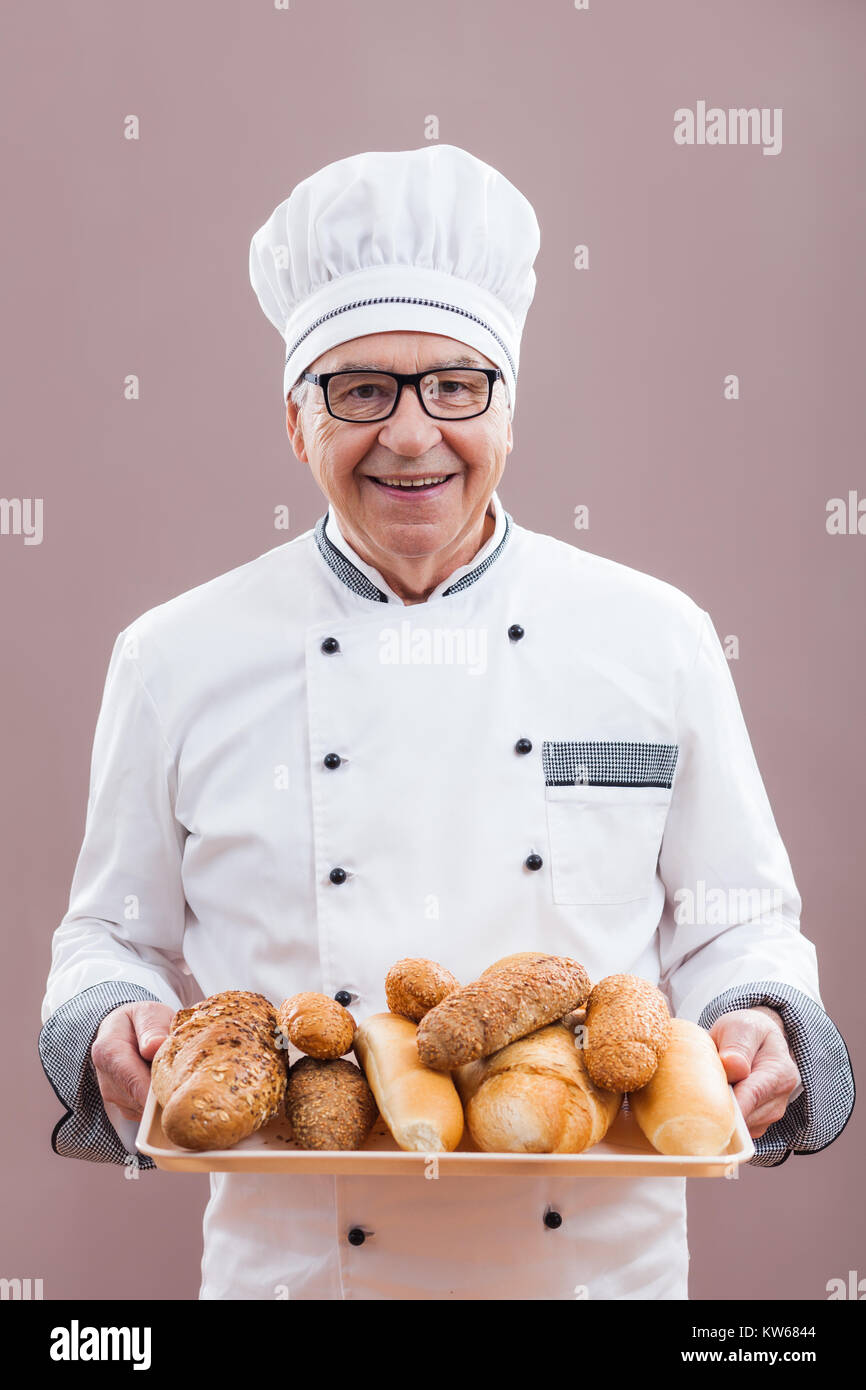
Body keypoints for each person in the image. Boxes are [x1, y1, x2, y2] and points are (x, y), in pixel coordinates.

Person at [39, 144, 854, 1300]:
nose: (412, 436)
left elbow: (738, 920)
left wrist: (759, 1014)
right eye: (360, 389)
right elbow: (110, 934)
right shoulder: (173, 655)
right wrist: (111, 1019)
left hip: (595, 1273)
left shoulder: (654, 633)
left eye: (453, 385)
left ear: (507, 409)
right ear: (294, 421)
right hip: (303, 1271)